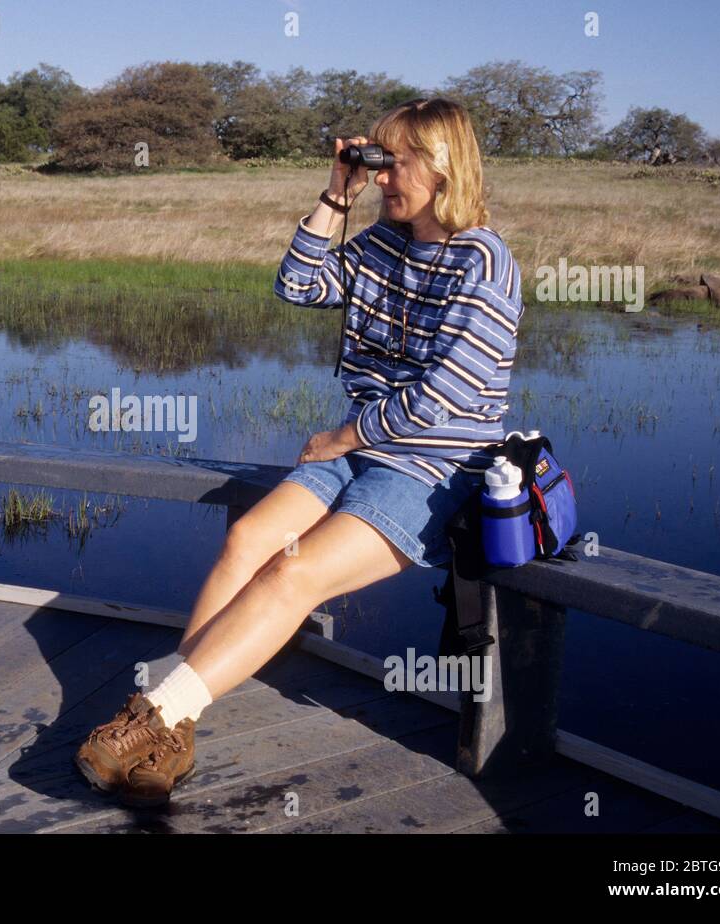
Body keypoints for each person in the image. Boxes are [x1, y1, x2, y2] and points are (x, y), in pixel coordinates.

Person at [75, 97, 524, 807]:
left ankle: (154, 715)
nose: (382, 178)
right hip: (363, 450)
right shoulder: (382, 244)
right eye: (377, 163)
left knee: (293, 573)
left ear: (441, 168)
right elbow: (298, 283)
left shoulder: (484, 262)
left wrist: (345, 436)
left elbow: (443, 399)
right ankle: (174, 726)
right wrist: (334, 194)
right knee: (248, 540)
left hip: (435, 469)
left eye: (393, 163)